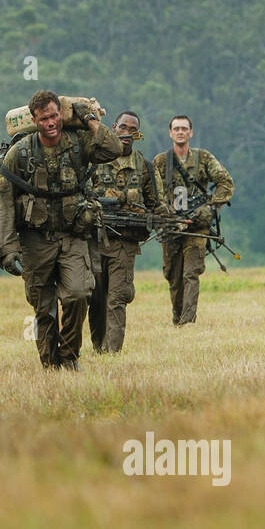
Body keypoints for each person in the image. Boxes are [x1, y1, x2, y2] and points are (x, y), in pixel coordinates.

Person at [0, 90, 123, 369]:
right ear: (34, 120)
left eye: (54, 116)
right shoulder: (21, 151)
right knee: (44, 308)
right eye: (43, 118)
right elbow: (3, 199)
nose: (50, 123)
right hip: (35, 240)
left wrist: (89, 119)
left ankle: (69, 356)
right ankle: (50, 363)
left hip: (73, 235)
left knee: (78, 295)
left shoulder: (79, 143)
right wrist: (6, 248)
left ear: (60, 115)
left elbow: (114, 149)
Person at [87, 111, 169, 352]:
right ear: (114, 127)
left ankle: (112, 352)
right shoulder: (95, 160)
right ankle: (97, 347)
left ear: (137, 134)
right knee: (96, 298)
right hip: (95, 239)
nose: (127, 133)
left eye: (132, 129)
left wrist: (165, 217)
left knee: (117, 298)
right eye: (123, 127)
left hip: (125, 243)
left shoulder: (144, 165)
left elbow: (157, 202)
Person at [152, 115, 234, 326]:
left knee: (191, 273)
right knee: (173, 276)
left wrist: (210, 208)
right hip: (171, 227)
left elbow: (226, 183)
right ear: (170, 133)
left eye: (184, 128)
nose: (180, 132)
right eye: (176, 128)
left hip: (197, 228)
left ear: (191, 133)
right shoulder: (161, 161)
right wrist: (164, 213)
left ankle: (188, 322)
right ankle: (178, 317)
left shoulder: (203, 158)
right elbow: (152, 191)